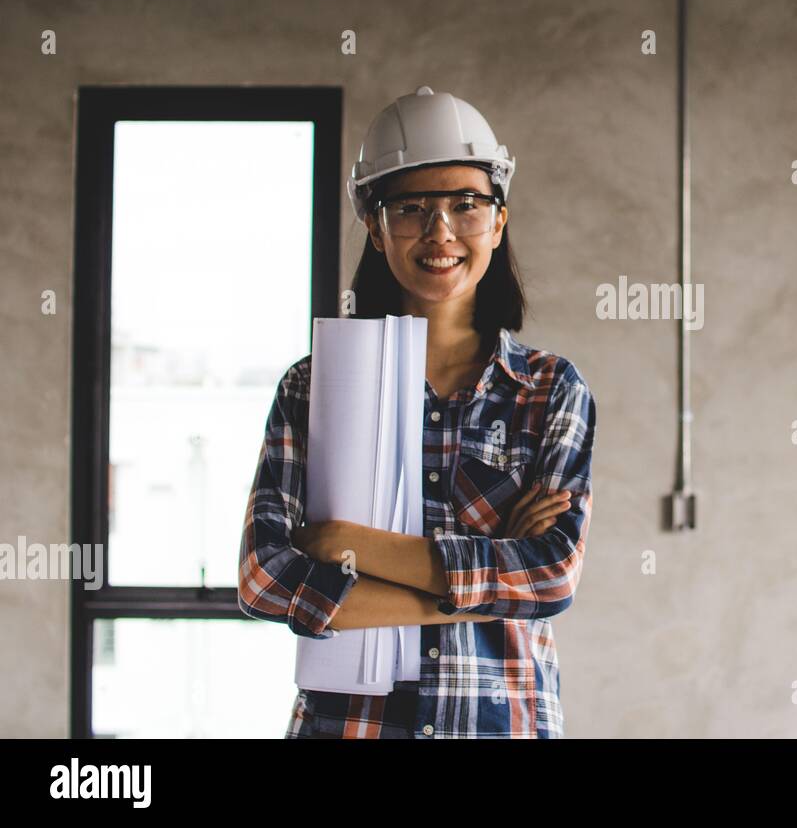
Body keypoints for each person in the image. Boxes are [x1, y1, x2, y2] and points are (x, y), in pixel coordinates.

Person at [237, 86, 596, 738]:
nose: (440, 232)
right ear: (375, 227)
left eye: (466, 204)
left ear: (498, 219)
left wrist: (350, 547)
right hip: (347, 725)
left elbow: (550, 578)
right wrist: (485, 579)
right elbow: (266, 578)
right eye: (411, 208)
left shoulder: (548, 390)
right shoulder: (311, 388)